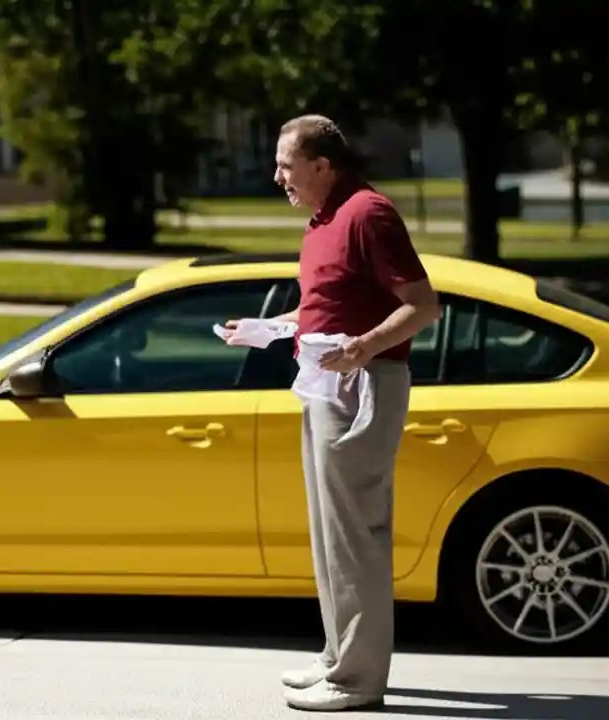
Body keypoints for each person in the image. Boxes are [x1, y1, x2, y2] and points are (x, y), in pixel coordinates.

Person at [223, 115, 440, 712]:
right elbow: (322, 308)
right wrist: (267, 330)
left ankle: (358, 681)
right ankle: (335, 657)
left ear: (323, 166)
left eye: (286, 166)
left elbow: (423, 306)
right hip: (323, 386)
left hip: (364, 384)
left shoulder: (368, 212)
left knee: (356, 538)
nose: (278, 177)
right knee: (328, 534)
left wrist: (363, 349)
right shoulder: (323, 221)